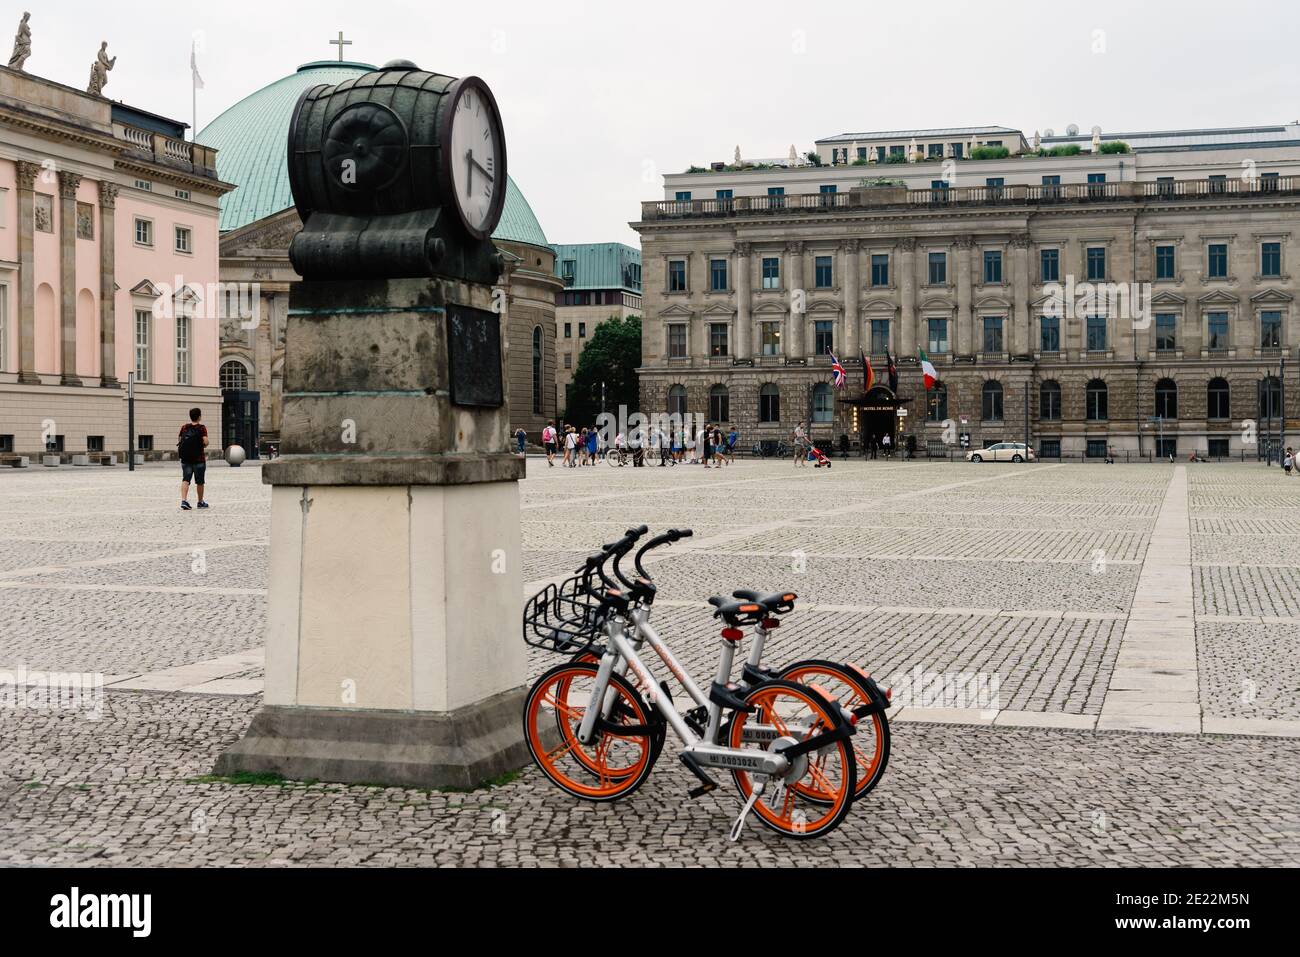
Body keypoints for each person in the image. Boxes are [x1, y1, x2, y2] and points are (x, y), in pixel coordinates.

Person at [178, 407, 209, 511]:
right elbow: (205, 442)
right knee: (200, 481)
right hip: (198, 458)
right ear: (199, 416)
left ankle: (184, 500)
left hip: (186, 458)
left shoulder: (184, 427)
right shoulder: (202, 428)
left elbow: (180, 440)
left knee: (186, 479)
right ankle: (200, 502)